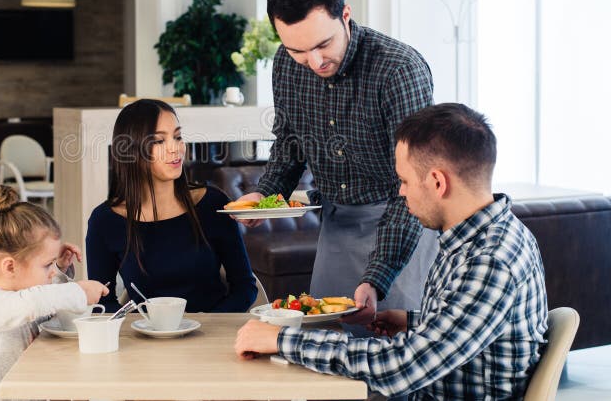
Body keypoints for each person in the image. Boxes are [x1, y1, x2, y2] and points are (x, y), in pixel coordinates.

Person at [234, 103, 549, 400]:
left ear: (438, 182)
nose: (400, 192)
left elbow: (403, 366)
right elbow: (473, 325)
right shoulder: (486, 234)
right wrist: (412, 321)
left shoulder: (490, 260)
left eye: (404, 181)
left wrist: (281, 340)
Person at [231, 0, 438, 321]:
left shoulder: (398, 70)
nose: (313, 61)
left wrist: (378, 276)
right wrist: (263, 198)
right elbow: (291, 143)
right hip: (336, 224)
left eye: (323, 44)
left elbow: (416, 185)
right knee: (325, 342)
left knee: (390, 344)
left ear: (345, 15)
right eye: (297, 50)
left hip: (402, 220)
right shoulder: (286, 64)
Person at [86, 99, 257, 313]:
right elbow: (103, 303)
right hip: (147, 339)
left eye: (177, 137)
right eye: (159, 141)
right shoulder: (105, 220)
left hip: (211, 336)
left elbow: (245, 288)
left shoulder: (212, 204)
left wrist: (206, 324)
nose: (175, 148)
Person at [0, 184, 109, 401]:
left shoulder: (24, 291)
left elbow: (46, 299)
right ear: (10, 267)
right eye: (47, 265)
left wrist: (59, 268)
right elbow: (34, 302)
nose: (51, 273)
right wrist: (78, 291)